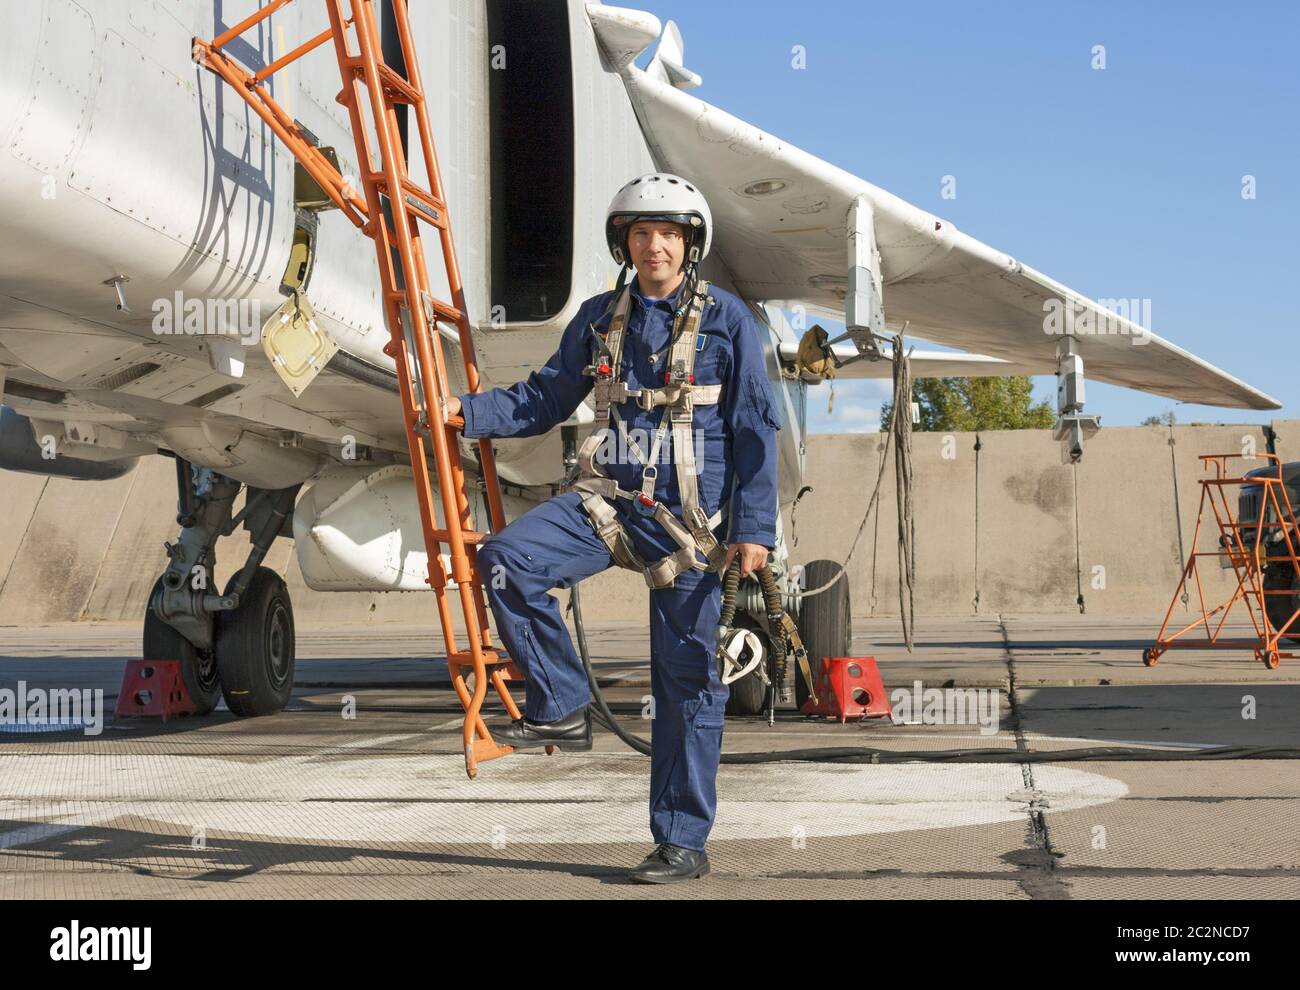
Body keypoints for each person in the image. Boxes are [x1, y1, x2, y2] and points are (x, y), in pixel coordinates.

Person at [446, 172, 782, 883]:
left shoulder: (729, 321)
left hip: (694, 527)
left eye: (667, 233)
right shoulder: (600, 318)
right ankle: (563, 703)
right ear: (625, 244)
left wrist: (755, 530)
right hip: (608, 503)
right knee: (508, 559)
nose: (654, 245)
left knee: (688, 684)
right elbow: (546, 396)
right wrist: (467, 415)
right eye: (641, 233)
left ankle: (681, 841)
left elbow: (755, 428)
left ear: (689, 245)